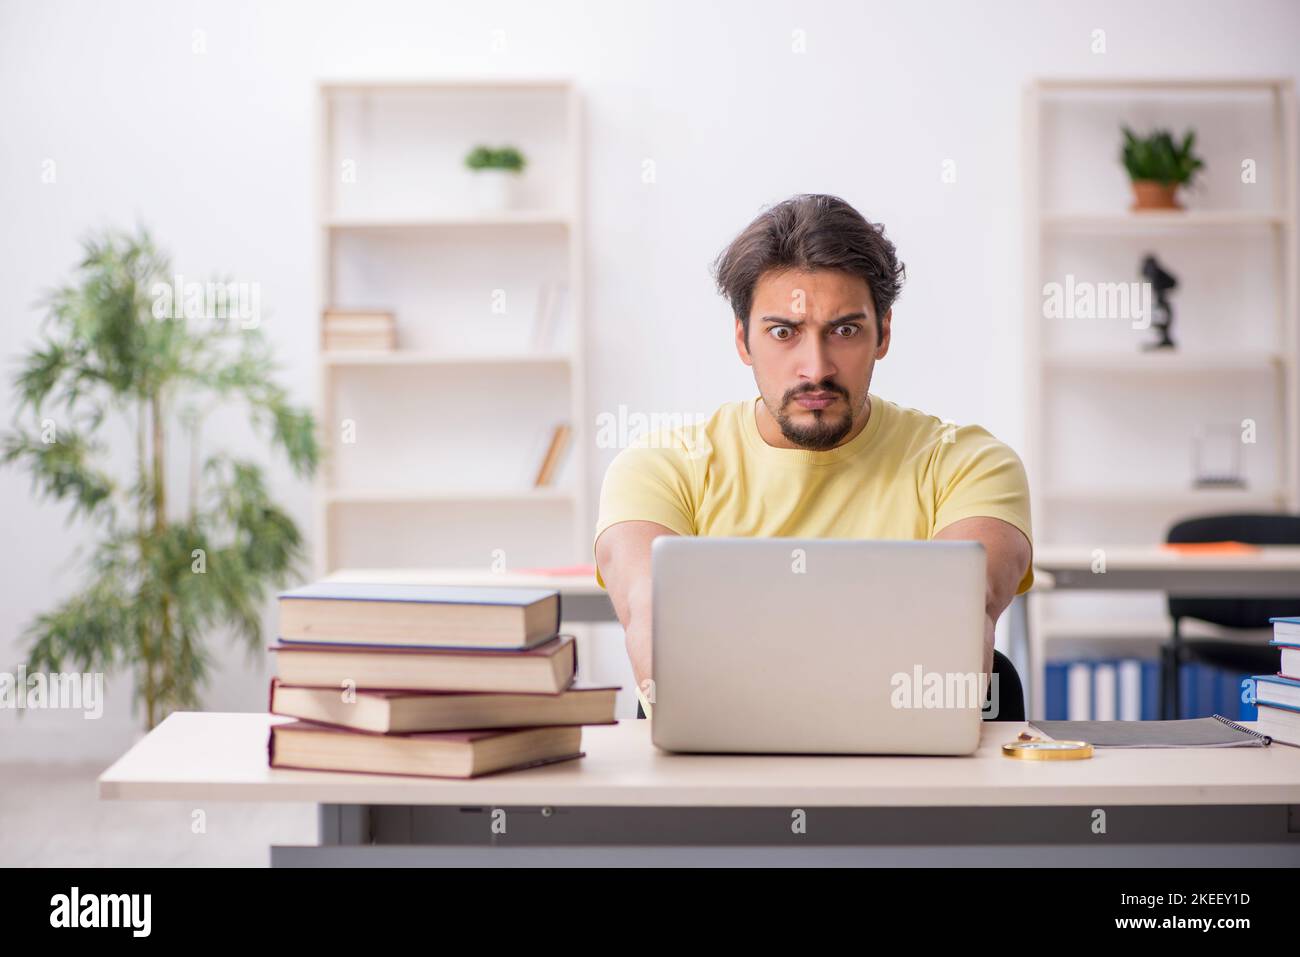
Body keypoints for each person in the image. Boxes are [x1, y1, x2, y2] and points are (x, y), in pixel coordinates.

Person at [594, 194, 1033, 717]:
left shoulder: (969, 465)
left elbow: (956, 637)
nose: (816, 368)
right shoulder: (660, 469)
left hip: (917, 784)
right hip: (719, 783)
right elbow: (656, 629)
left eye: (844, 330)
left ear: (884, 333)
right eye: (784, 332)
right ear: (742, 339)